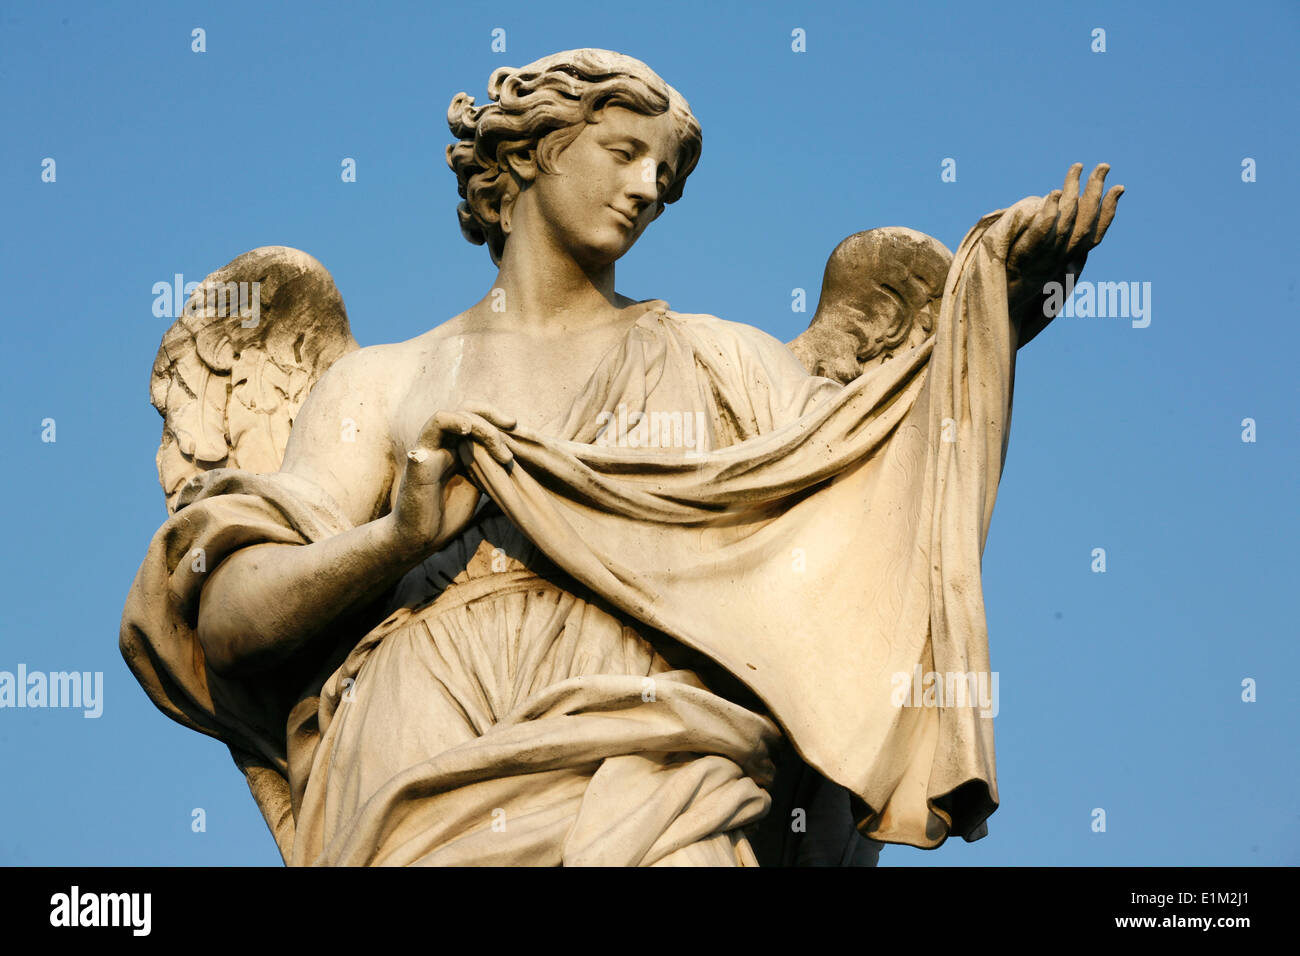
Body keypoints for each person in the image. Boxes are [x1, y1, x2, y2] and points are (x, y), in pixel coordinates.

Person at [121, 48, 1121, 866]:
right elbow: (229, 613)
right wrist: (395, 539)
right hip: (426, 739)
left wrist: (994, 306)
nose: (647, 187)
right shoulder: (385, 381)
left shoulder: (725, 362)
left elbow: (878, 486)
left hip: (660, 753)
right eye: (623, 151)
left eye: (665, 173)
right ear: (532, 154)